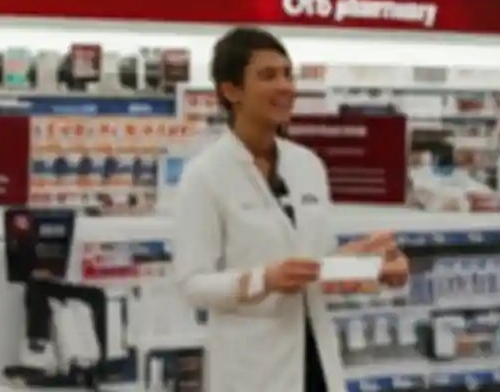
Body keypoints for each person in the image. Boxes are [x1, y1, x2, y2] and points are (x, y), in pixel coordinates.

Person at [172, 27, 409, 392]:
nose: (285, 86)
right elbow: (192, 285)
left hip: (315, 357)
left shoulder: (307, 165)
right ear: (230, 91)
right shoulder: (205, 175)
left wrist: (371, 266)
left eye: (288, 74)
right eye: (268, 76)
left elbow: (316, 265)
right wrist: (263, 280)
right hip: (252, 368)